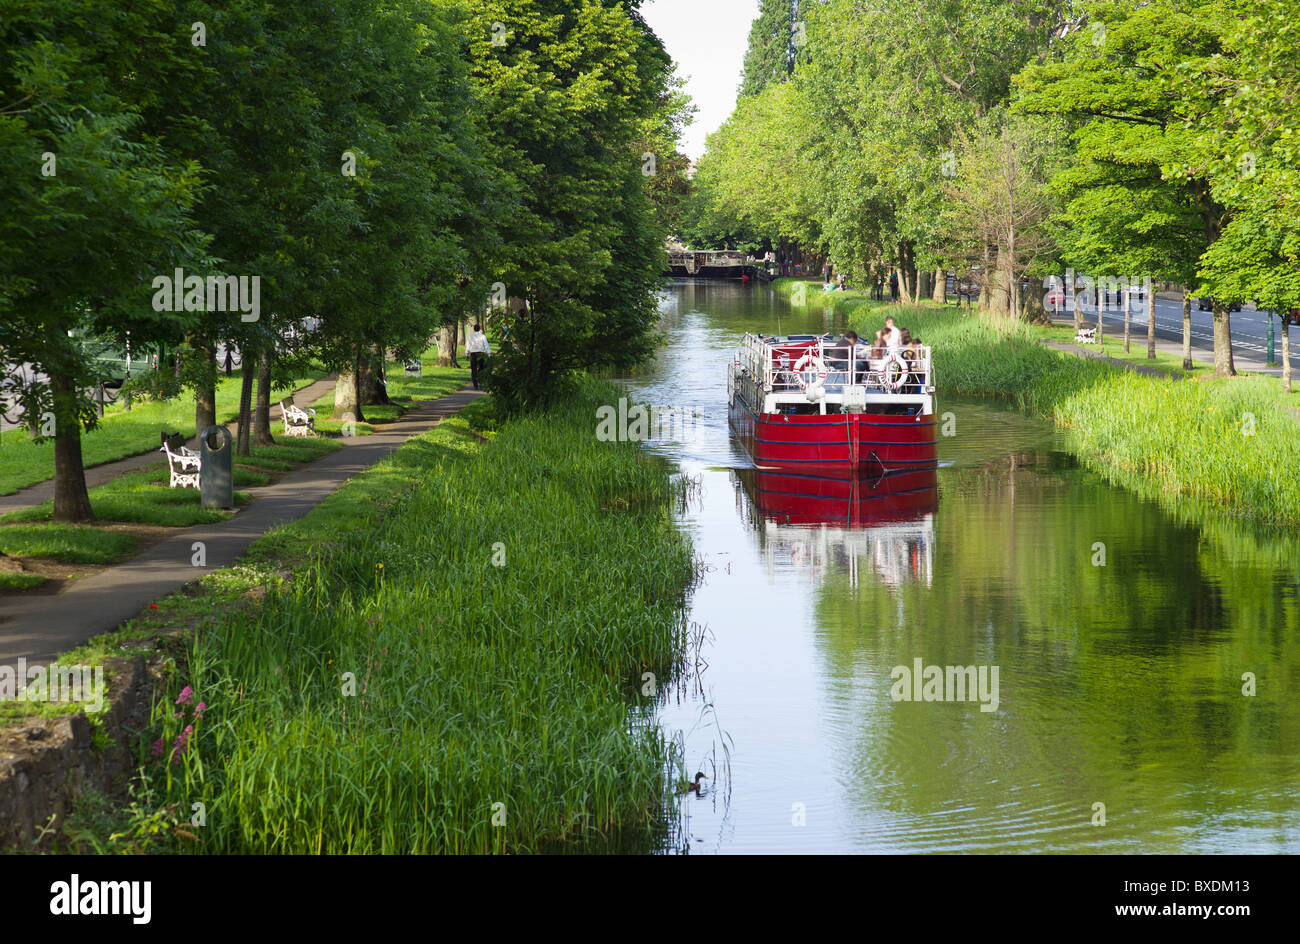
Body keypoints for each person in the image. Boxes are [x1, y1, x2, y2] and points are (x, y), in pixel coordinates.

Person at [466, 323, 490, 390]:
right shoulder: (483, 336)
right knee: (482, 368)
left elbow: (468, 346)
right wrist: (488, 354)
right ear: (479, 329)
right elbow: (486, 346)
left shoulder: (470, 337)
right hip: (480, 354)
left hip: (473, 354)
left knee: (473, 370)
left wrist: (466, 354)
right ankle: (480, 379)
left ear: (474, 329)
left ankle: (475, 384)